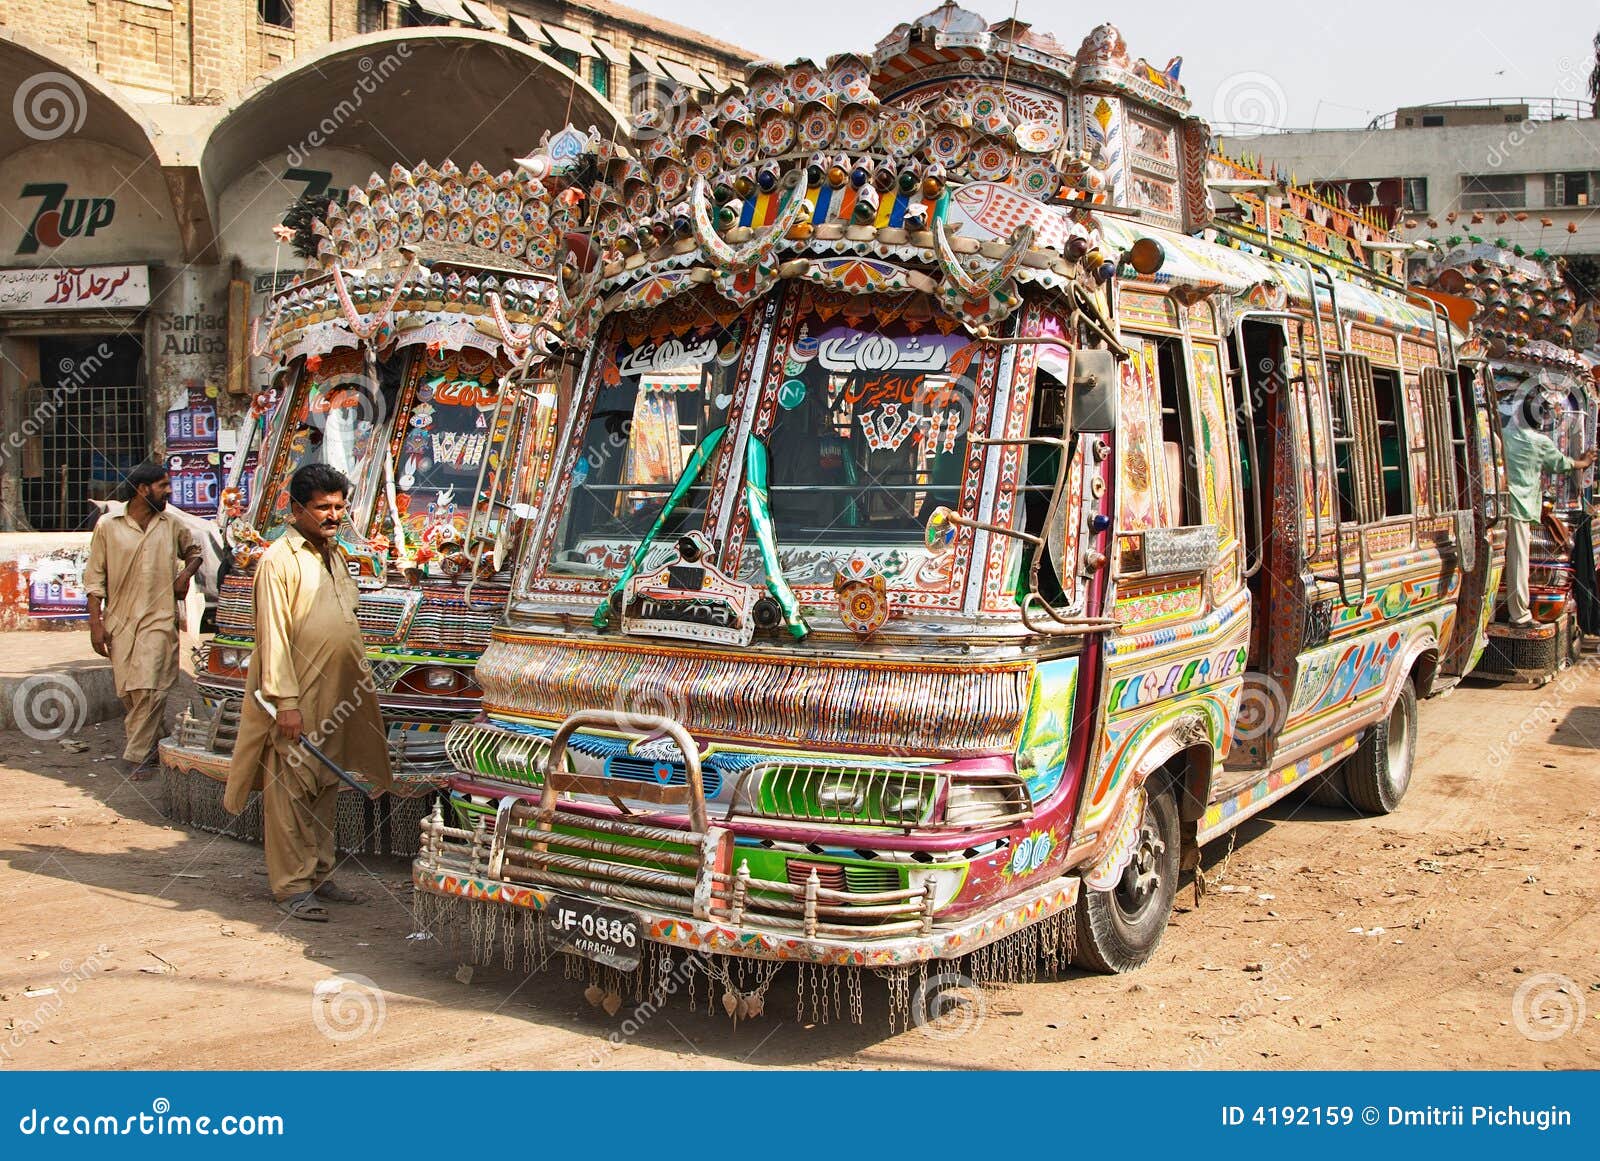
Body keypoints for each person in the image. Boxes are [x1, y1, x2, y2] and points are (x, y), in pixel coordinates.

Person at [225, 463, 392, 921]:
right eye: (323, 508)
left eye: (339, 506)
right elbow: (274, 637)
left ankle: (319, 873)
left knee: (323, 785)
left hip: (335, 697)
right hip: (297, 697)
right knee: (291, 790)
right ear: (297, 509)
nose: (333, 515)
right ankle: (292, 886)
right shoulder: (278, 561)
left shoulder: (334, 554)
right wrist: (286, 704)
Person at [84, 463, 203, 779]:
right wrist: (96, 624)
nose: (168, 491)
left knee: (149, 686)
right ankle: (155, 739)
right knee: (129, 691)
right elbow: (94, 580)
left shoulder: (172, 525)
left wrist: (184, 576)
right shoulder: (108, 527)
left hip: (159, 619)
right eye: (162, 485)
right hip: (120, 621)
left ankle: (136, 756)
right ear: (142, 489)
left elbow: (195, 554)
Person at [1501, 394, 1597, 627]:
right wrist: (1582, 463)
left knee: (1498, 562)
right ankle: (1520, 615)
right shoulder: (1540, 442)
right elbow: (1561, 464)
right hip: (1519, 507)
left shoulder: (1503, 435)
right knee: (1518, 563)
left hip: (1499, 506)